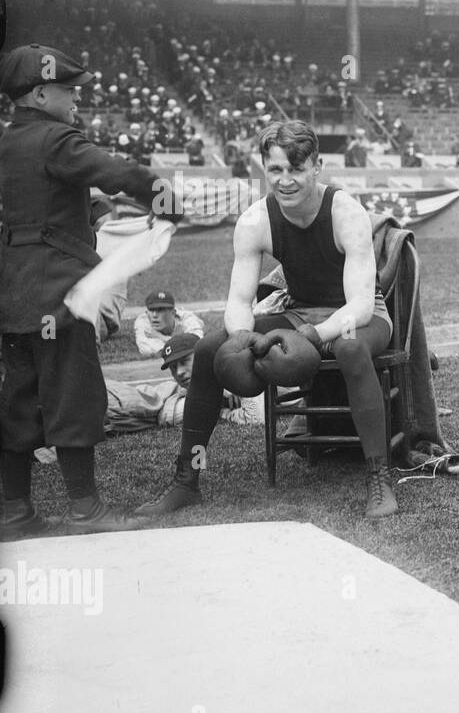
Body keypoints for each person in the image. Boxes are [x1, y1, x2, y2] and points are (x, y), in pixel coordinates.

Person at [136, 119, 399, 520]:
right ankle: (185, 481)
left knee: (347, 347)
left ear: (317, 166)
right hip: (297, 309)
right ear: (263, 167)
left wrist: (313, 334)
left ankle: (379, 480)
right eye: (276, 170)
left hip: (358, 317)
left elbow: (360, 305)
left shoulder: (346, 212)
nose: (286, 181)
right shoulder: (255, 220)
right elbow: (239, 299)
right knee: (209, 347)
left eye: (296, 169)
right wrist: (240, 341)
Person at [0, 42, 173, 536]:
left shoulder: (8, 141)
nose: (77, 100)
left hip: (12, 291)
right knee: (72, 393)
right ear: (38, 93)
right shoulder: (56, 139)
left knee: (17, 398)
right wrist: (167, 197)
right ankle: (85, 510)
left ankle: (15, 511)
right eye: (68, 91)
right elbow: (118, 174)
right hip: (59, 288)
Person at [103, 333, 262, 435]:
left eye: (185, 361)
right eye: (173, 367)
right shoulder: (172, 393)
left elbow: (255, 416)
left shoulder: (241, 368)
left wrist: (236, 384)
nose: (178, 372)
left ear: (204, 356)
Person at [133, 289, 205, 358]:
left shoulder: (187, 318)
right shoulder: (143, 321)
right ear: (146, 312)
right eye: (151, 310)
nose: (154, 315)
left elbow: (197, 343)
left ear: (173, 313)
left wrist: (161, 337)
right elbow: (146, 350)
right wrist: (181, 343)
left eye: (160, 310)